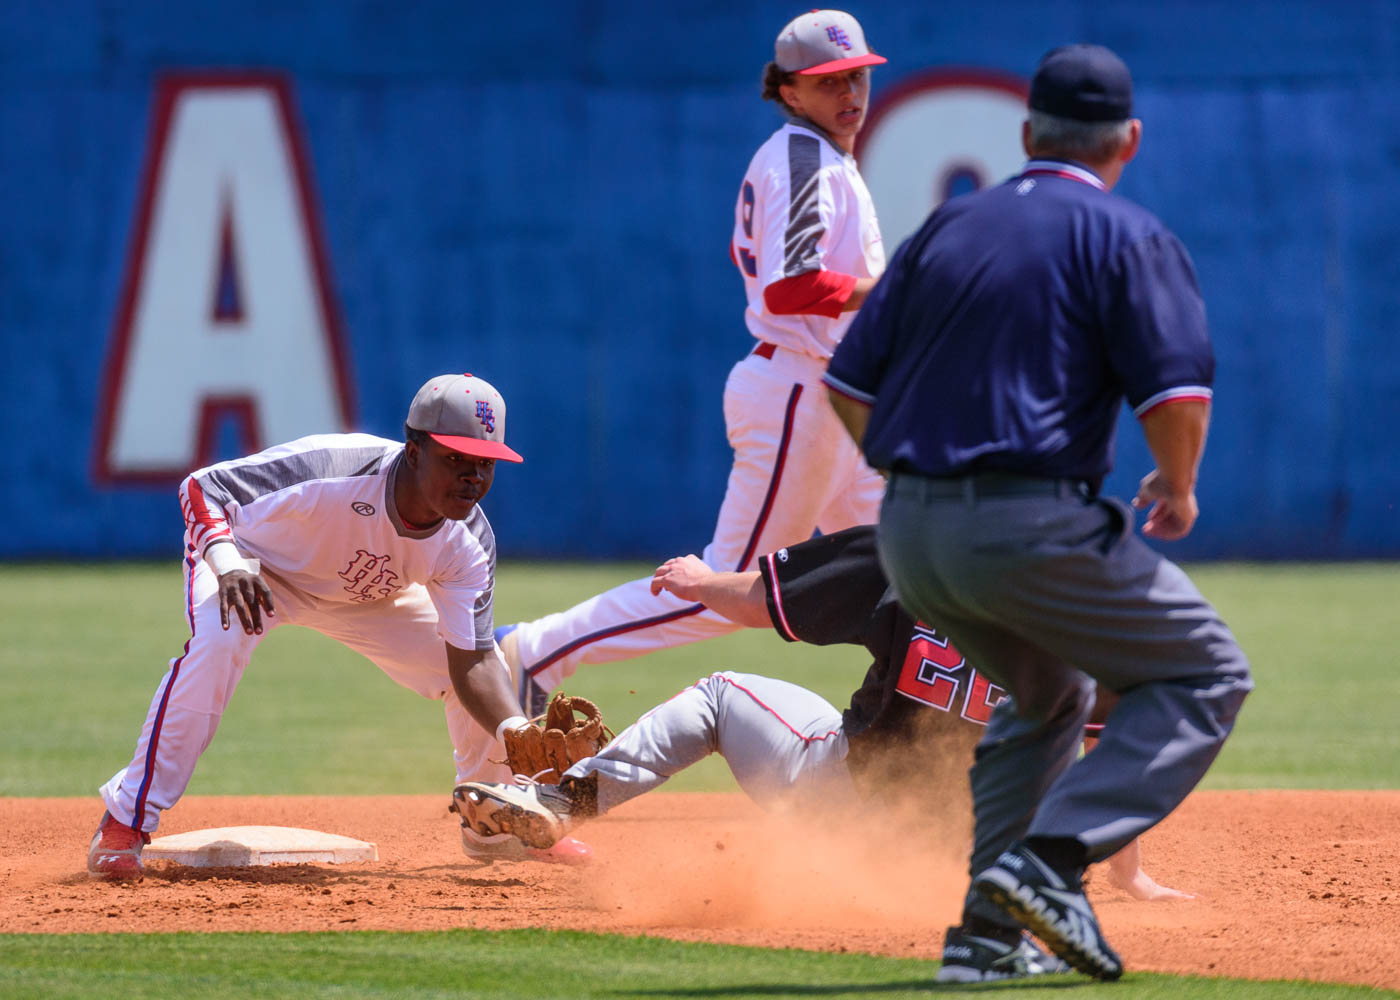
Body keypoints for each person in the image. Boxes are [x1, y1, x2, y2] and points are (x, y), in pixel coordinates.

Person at [823, 44, 1253, 980]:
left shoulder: (946, 228)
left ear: (1025, 135)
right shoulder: (1125, 235)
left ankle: (986, 939)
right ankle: (1050, 864)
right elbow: (1177, 399)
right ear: (1128, 140)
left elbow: (846, 381)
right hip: (1025, 522)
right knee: (1206, 672)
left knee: (1048, 695)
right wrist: (1177, 487)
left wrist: (911, 486)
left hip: (914, 538)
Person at [456, 527, 1189, 982]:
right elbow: (1109, 754)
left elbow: (760, 600)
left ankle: (559, 803)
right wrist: (1130, 872)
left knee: (720, 695)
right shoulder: (1081, 616)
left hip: (841, 802)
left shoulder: (916, 557)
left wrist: (696, 581)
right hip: (974, 858)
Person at [496, 10, 889, 715]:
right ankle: (532, 654)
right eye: (828, 81)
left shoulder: (822, 159)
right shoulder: (802, 159)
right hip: (800, 389)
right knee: (729, 588)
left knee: (917, 561)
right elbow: (791, 285)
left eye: (856, 76)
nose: (849, 92)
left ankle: (920, 747)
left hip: (836, 395)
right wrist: (896, 288)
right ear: (789, 90)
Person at [86, 373, 587, 881]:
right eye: (455, 458)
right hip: (256, 572)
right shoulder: (334, 468)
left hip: (368, 596)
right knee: (216, 646)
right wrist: (227, 561)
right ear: (413, 451)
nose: (472, 477)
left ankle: (494, 824)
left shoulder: (469, 541)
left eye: (485, 463)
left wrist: (516, 730)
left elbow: (472, 659)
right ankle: (126, 820)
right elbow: (203, 487)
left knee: (482, 664)